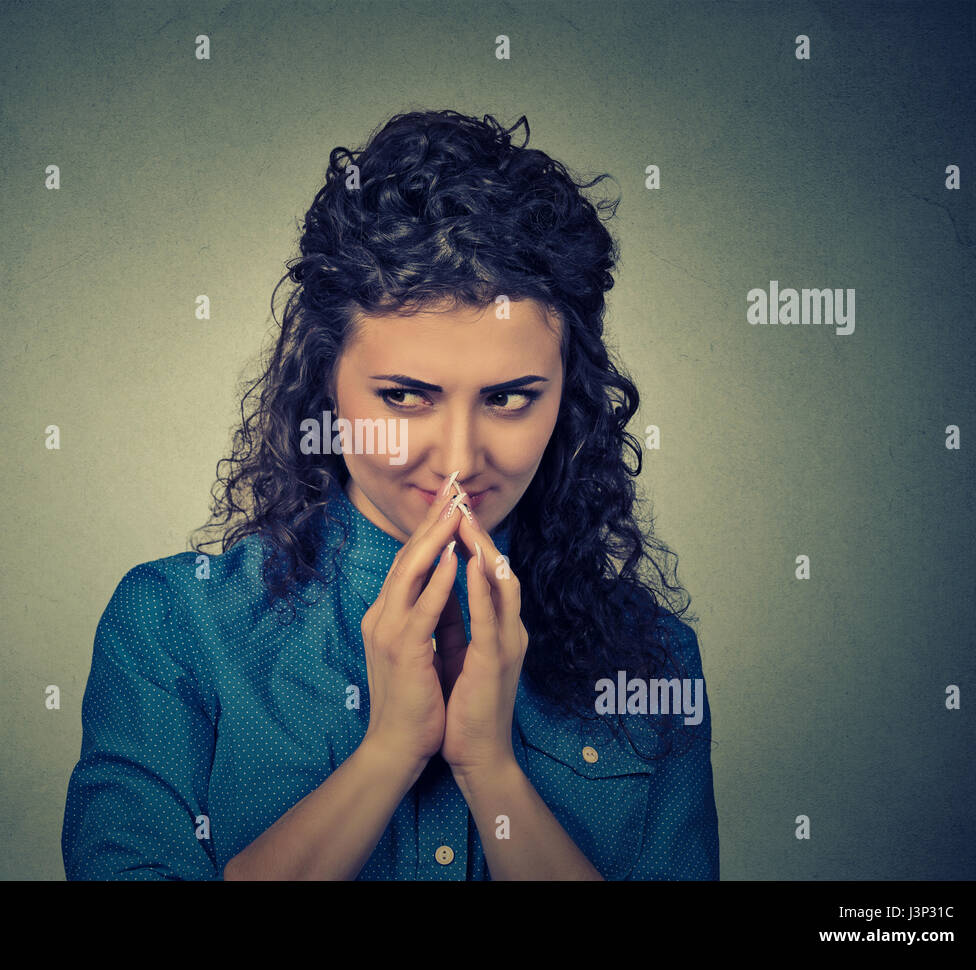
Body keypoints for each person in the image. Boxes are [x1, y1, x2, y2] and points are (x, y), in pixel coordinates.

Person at [61, 109, 718, 880]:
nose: (459, 459)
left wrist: (489, 769)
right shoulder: (173, 629)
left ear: (567, 396)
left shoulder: (655, 665)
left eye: (510, 398)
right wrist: (387, 756)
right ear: (324, 381)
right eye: (406, 396)